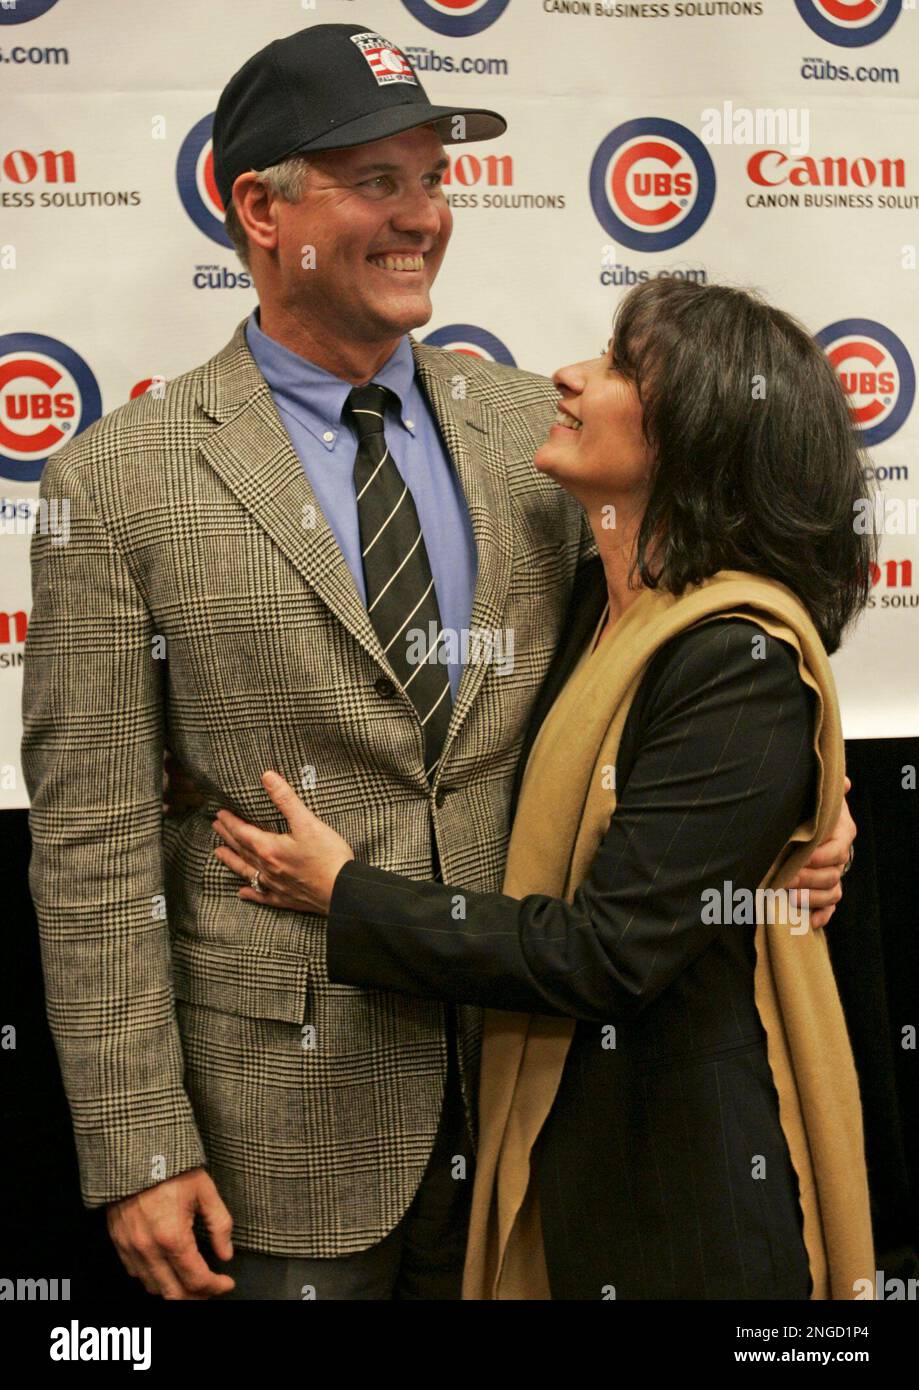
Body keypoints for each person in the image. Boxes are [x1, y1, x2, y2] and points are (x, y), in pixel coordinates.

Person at [21, 23, 854, 1302]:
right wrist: (138, 1142)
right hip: (280, 1133)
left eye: (434, 178)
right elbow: (95, 843)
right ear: (260, 209)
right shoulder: (116, 484)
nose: (423, 216)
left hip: (540, 1098)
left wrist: (803, 811)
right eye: (378, 181)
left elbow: (686, 645)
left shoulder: (538, 433)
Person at [210, 277, 876, 1300]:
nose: (566, 376)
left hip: (679, 1198)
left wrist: (346, 894)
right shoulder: (594, 606)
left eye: (618, 368)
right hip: (562, 1155)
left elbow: (605, 955)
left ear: (695, 436)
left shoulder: (734, 660)